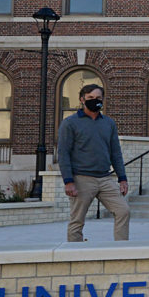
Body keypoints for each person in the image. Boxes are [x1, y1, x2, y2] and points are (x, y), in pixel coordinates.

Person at [57, 83, 130, 242]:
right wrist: (68, 181)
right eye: (90, 98)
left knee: (123, 210)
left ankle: (122, 251)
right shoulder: (70, 123)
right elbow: (63, 154)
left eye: (98, 98)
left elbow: (115, 152)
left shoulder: (109, 123)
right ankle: (73, 256)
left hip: (105, 178)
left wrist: (122, 178)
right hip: (81, 179)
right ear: (82, 100)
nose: (94, 100)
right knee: (77, 220)